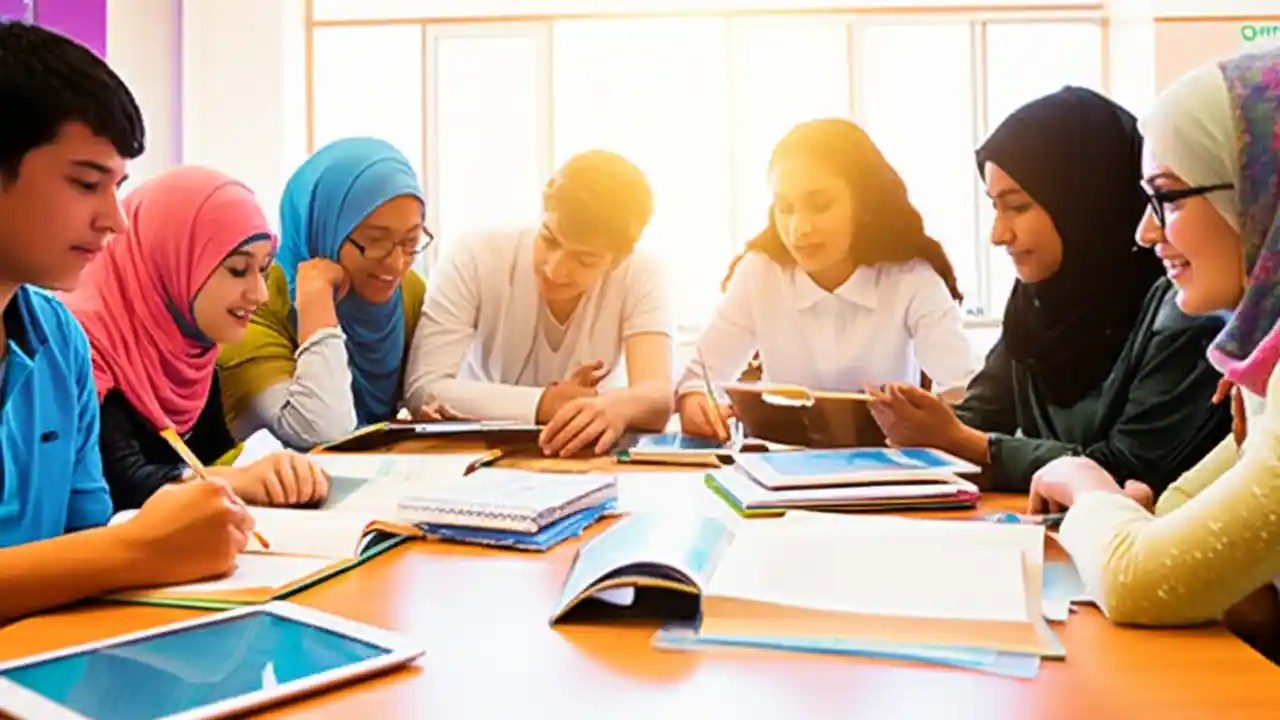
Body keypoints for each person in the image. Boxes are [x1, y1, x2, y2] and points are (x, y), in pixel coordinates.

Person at [0, 21, 252, 623]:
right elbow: (102, 554)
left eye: (118, 188)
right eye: (86, 183)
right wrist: (137, 548)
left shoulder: (59, 339)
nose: (116, 220)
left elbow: (82, 543)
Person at [866, 87, 1230, 494]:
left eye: (1018, 207)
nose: (998, 234)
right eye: (995, 207)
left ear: (1084, 201)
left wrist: (963, 442)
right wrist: (915, 420)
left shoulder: (1186, 306)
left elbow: (1131, 467)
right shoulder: (1037, 303)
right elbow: (984, 411)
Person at [1030, 50, 1280, 640]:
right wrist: (1126, 513)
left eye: (1167, 197)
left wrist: (1082, 480)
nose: (1146, 231)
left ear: (1260, 192)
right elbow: (1172, 520)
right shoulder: (1263, 369)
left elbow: (1137, 578)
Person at [677, 118, 973, 441]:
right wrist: (697, 404)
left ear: (863, 204)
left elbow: (963, 395)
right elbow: (698, 380)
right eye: (785, 208)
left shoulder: (911, 278)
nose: (798, 228)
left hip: (888, 469)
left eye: (819, 205)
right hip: (780, 474)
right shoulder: (760, 273)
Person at [62, 166, 331, 510]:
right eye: (238, 270)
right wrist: (231, 480)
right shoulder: (88, 344)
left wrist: (274, 472)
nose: (260, 294)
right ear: (170, 260)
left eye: (263, 270)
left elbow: (215, 457)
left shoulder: (191, 347)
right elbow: (116, 484)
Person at [402, 150, 673, 458]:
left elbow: (657, 397)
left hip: (585, 455)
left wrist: (617, 407)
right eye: (550, 240)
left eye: (585, 260)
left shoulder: (642, 272)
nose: (555, 270)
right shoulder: (475, 254)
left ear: (618, 259)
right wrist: (547, 403)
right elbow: (422, 388)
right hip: (476, 453)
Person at [218, 138, 430, 449]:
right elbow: (323, 432)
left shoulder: (407, 291)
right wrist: (316, 303)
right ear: (324, 227)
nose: (397, 263)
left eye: (411, 242)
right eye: (375, 241)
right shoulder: (255, 304)